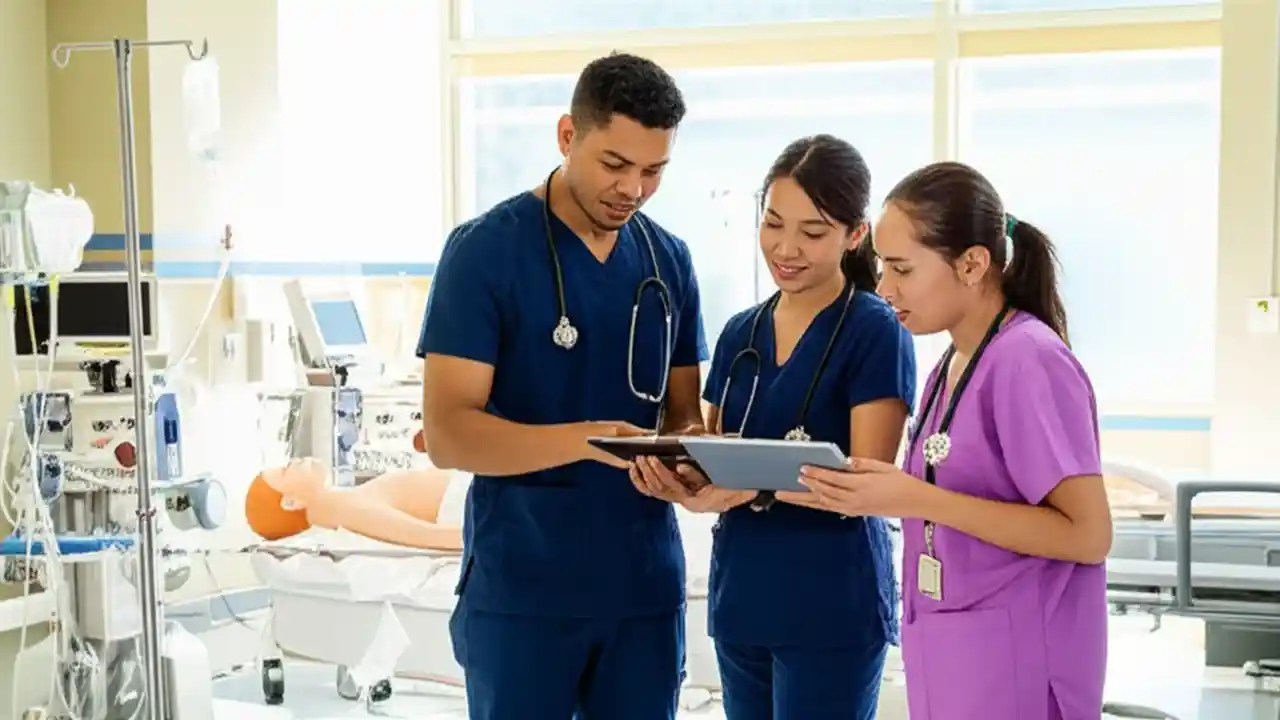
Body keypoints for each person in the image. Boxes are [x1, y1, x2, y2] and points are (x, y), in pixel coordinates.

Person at [416, 52, 709, 720]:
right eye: (615, 164)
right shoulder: (486, 252)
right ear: (567, 136)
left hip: (643, 592)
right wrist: (584, 441)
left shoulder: (671, 261)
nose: (632, 188)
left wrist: (694, 457)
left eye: (653, 171)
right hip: (525, 594)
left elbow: (685, 416)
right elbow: (448, 434)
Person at [784, 161, 1112, 719]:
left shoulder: (1027, 360)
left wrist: (914, 497)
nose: (884, 288)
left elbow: (1089, 536)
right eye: (882, 268)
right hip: (955, 650)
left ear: (973, 264)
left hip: (1018, 659)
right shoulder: (952, 363)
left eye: (902, 269)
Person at [632, 134, 916, 719]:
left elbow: (869, 485)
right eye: (773, 224)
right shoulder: (741, 332)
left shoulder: (874, 329)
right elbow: (719, 458)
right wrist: (683, 483)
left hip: (832, 602)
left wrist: (752, 488)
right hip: (744, 598)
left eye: (813, 233)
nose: (786, 248)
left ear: (854, 235)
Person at [244, 459, 463, 551]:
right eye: (286, 470)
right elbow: (423, 535)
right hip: (472, 503)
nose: (295, 460)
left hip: (474, 495)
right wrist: (489, 537)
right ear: (292, 502)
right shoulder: (343, 509)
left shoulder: (344, 503)